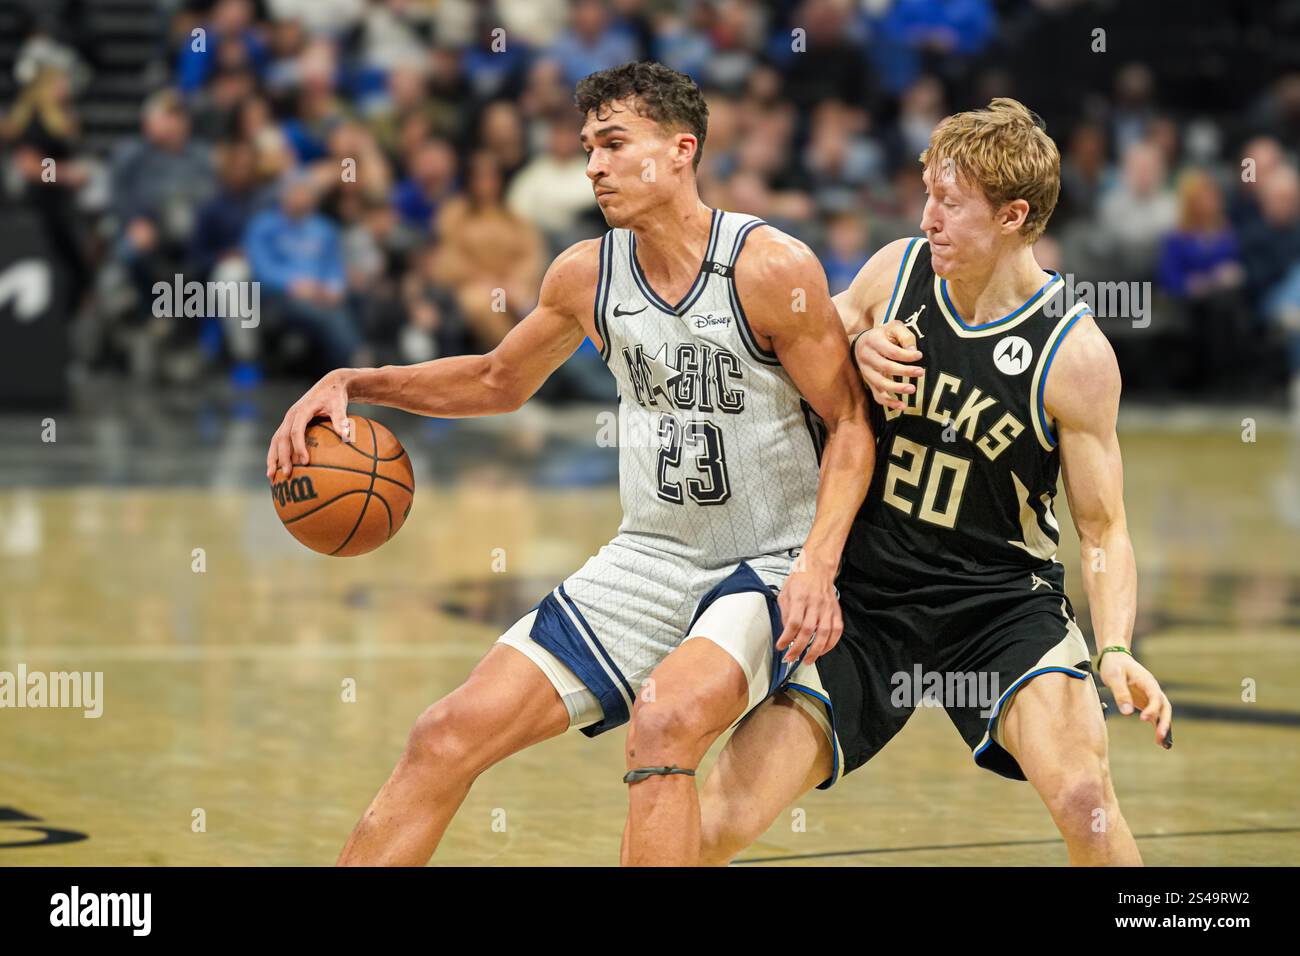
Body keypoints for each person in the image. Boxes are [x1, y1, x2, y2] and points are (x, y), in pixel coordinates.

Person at [265, 62, 873, 867]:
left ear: (681, 149)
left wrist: (819, 566)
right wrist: (354, 381)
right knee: (444, 735)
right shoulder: (586, 274)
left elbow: (852, 422)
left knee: (662, 725)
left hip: (769, 562)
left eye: (615, 144)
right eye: (588, 146)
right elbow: (496, 380)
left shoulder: (769, 269)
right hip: (651, 557)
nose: (593, 165)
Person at [695, 98, 1172, 867]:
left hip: (995, 602)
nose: (928, 218)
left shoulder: (1074, 354)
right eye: (927, 195)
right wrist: (853, 343)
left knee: (1086, 803)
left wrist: (1115, 644)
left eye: (950, 203)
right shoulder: (898, 271)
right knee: (716, 820)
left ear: (1015, 215)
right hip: (866, 596)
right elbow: (799, 346)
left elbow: (1104, 529)